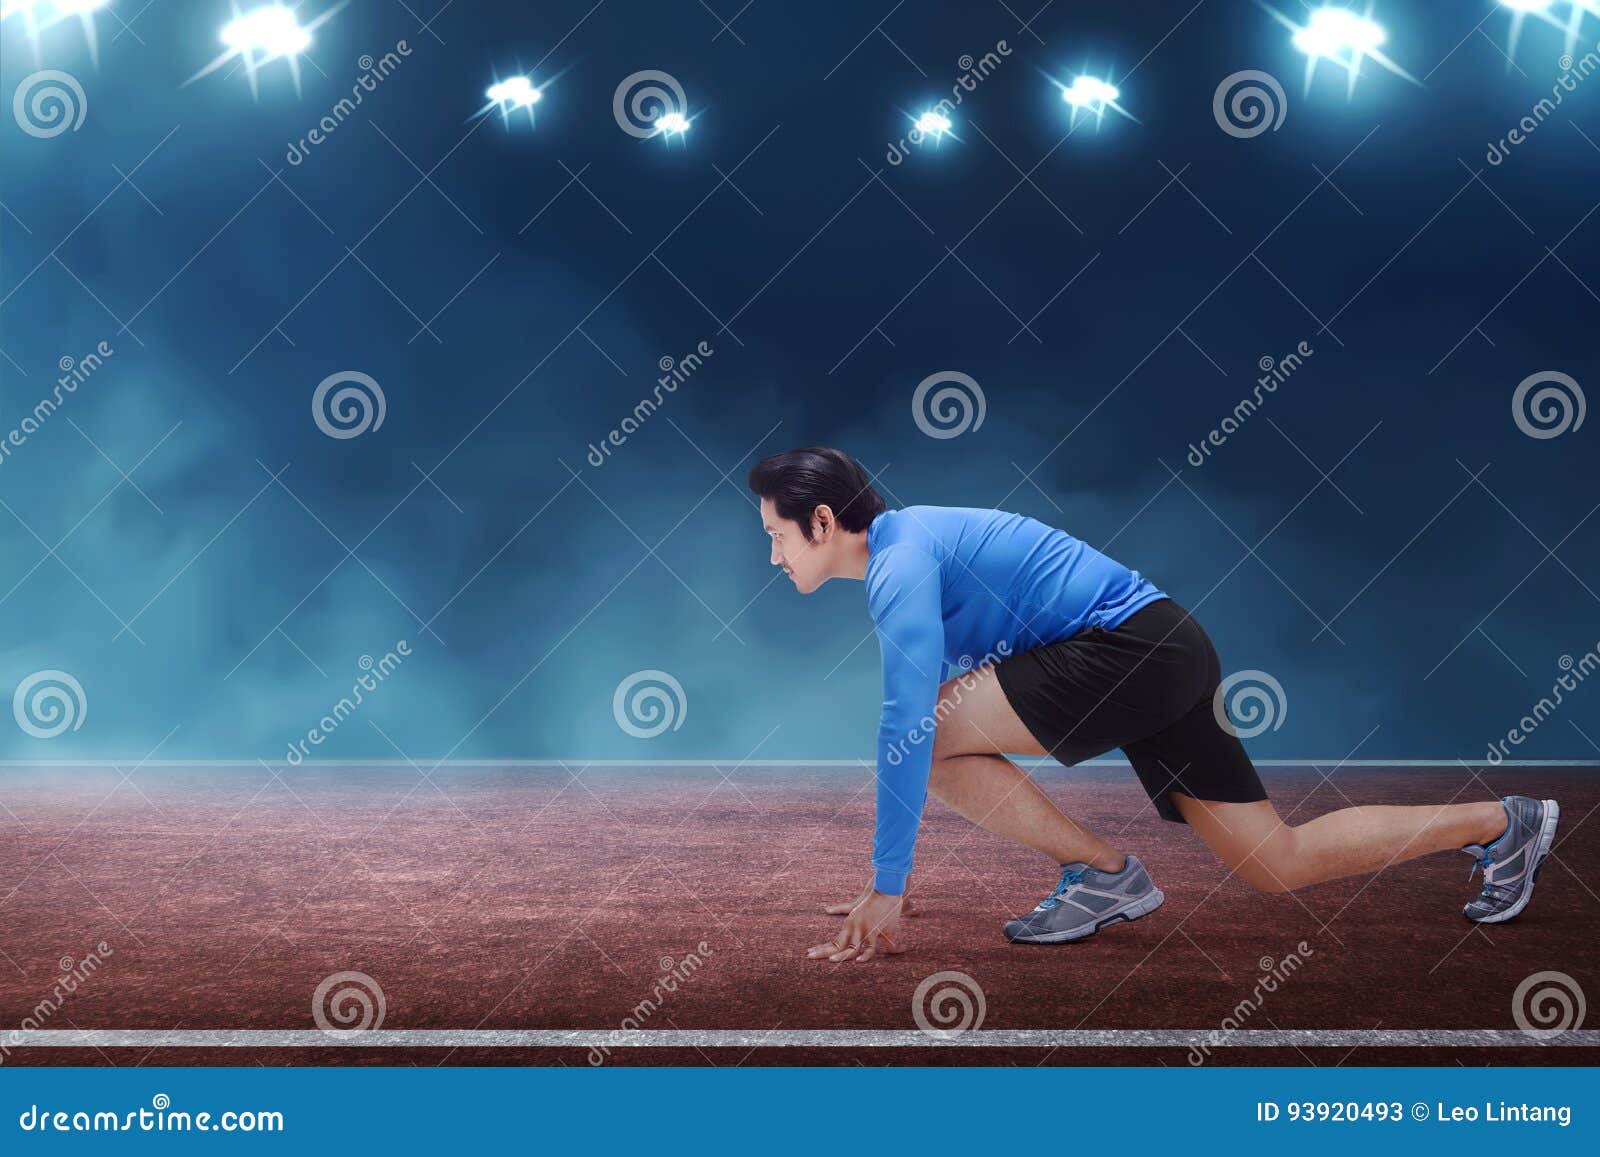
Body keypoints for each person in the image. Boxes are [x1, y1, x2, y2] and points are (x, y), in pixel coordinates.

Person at [747, 446, 1561, 963]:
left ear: (824, 520)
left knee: (926, 739)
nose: (773, 555)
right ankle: (1502, 823)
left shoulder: (900, 560)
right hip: (1161, 649)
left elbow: (906, 725)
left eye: (778, 535)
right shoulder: (911, 554)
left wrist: (888, 882)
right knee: (1278, 860)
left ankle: (1103, 874)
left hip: (1132, 650)